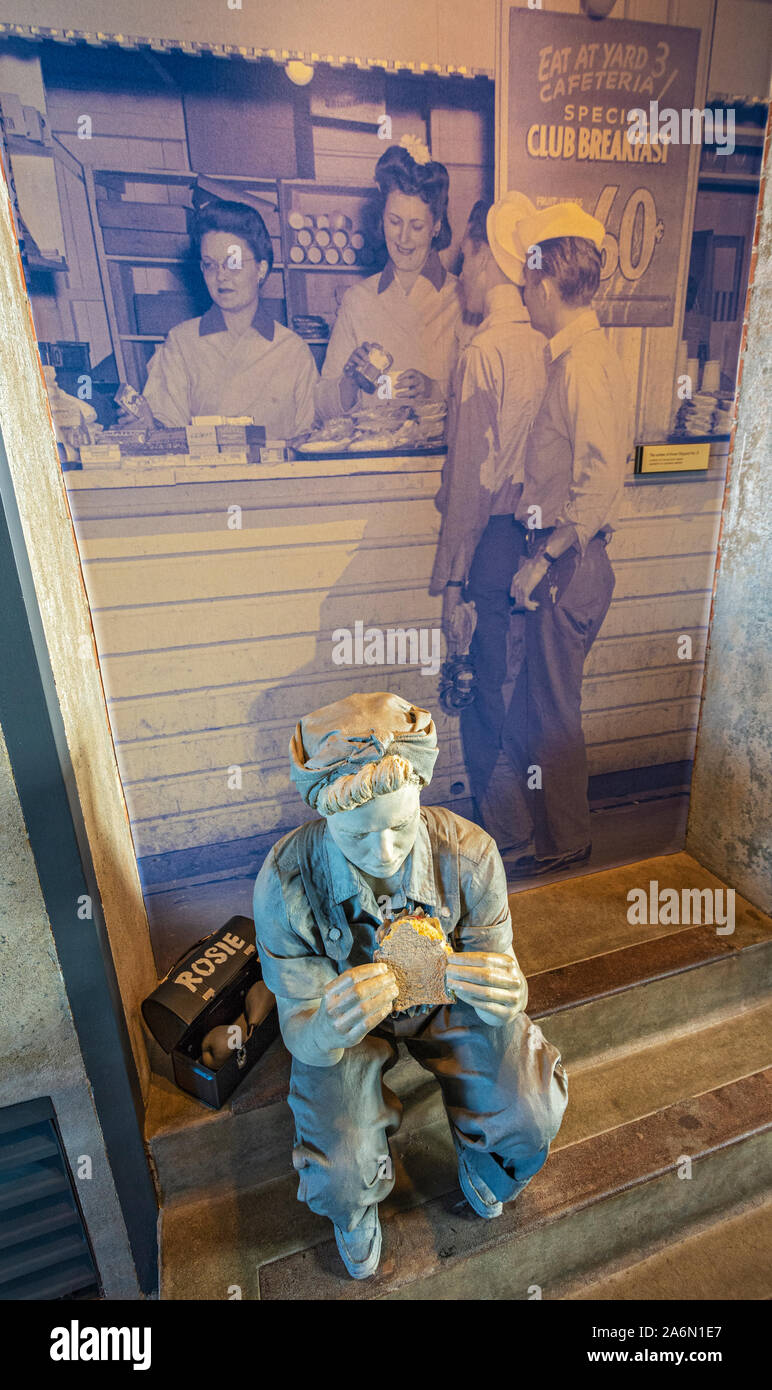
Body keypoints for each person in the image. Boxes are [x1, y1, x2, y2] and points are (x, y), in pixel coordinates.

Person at [252, 692, 568, 1280]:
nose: (386, 853)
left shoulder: (470, 856)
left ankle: (487, 1155)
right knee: (340, 1167)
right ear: (326, 817)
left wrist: (509, 995)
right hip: (350, 1026)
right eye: (358, 838)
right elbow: (301, 1030)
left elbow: (502, 975)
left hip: (450, 1003)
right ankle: (354, 1205)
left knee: (529, 1111)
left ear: (421, 790)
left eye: (401, 826)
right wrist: (323, 1025)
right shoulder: (285, 883)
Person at [503, 203, 632, 877]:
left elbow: (602, 480)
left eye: (527, 283)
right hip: (562, 558)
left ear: (547, 283)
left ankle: (567, 846)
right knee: (542, 703)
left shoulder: (583, 362)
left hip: (571, 563)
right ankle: (549, 835)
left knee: (553, 710)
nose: (524, 294)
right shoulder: (579, 356)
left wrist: (541, 561)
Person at [430, 193, 548, 850]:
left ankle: (504, 838)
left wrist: (453, 583)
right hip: (536, 545)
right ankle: (528, 823)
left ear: (487, 257)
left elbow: (471, 487)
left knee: (482, 692)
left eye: (465, 256)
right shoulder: (544, 342)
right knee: (520, 687)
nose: (460, 273)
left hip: (492, 547)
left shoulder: (484, 352)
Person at [136, 194, 318, 437]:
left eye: (232, 262)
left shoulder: (292, 350)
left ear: (261, 269)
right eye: (210, 265)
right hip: (204, 475)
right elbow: (166, 429)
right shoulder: (181, 343)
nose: (221, 275)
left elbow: (311, 437)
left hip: (276, 475)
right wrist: (149, 426)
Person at [317, 137, 464, 419]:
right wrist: (349, 380)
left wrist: (436, 390)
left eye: (417, 226)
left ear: (436, 226)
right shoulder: (357, 300)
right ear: (381, 219)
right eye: (394, 222)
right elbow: (322, 406)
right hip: (374, 456)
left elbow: (485, 397)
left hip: (439, 461)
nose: (403, 238)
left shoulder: (461, 299)